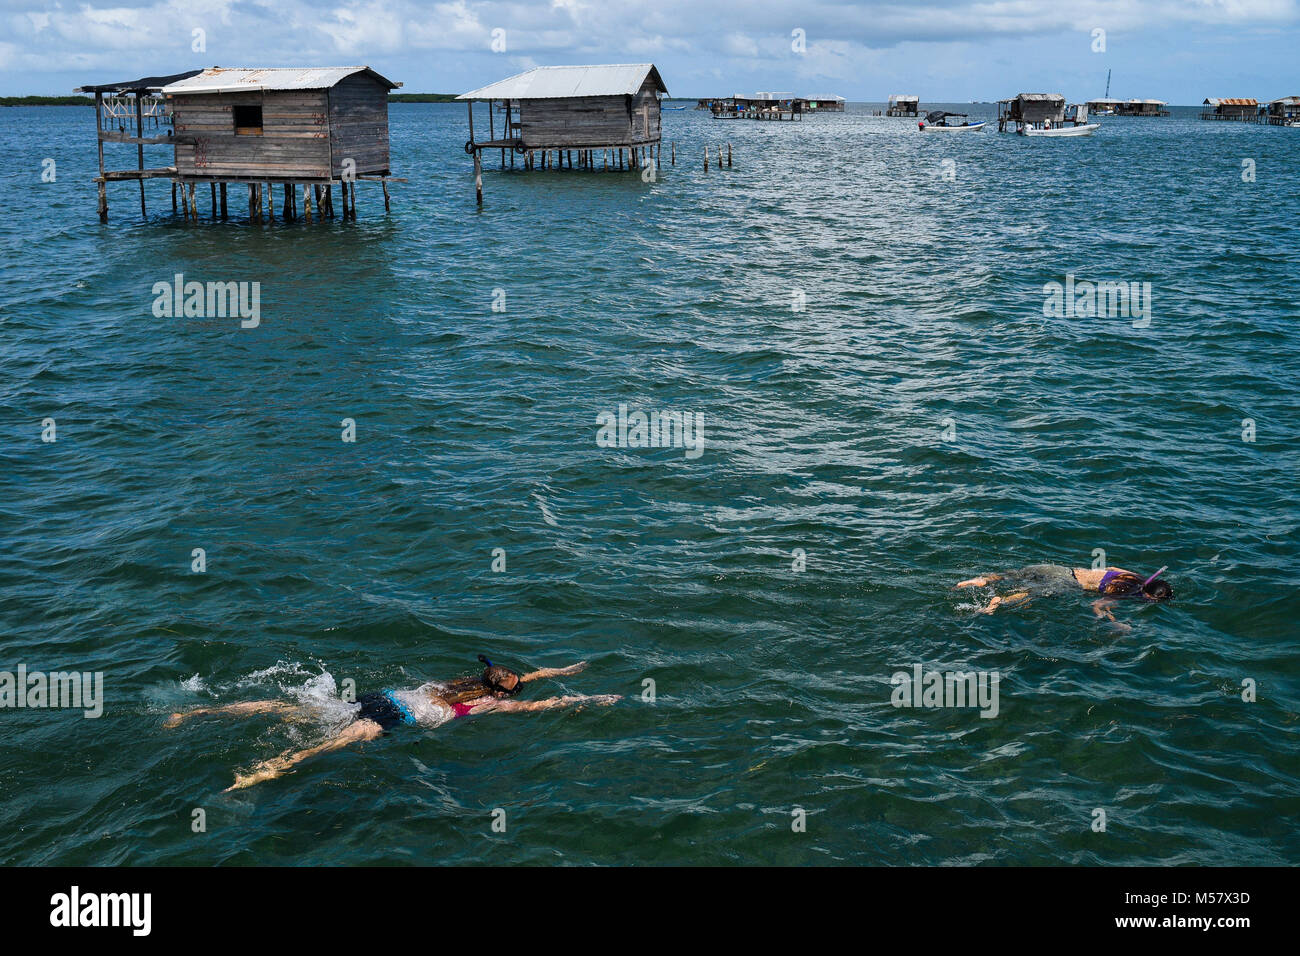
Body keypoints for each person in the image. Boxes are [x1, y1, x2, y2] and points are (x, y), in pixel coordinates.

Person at [165, 656, 619, 791]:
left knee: (290, 708)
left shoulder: (466, 683)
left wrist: (557, 672)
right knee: (337, 744)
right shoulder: (489, 706)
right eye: (513, 689)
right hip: (396, 719)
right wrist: (591, 698)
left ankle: (197, 712)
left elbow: (519, 683)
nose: (517, 693)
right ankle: (269, 768)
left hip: (382, 698)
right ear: (499, 692)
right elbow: (535, 706)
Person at [956, 564, 1172, 618]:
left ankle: (982, 580)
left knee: (1017, 574)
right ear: (1147, 594)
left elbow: (1109, 568)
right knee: (1032, 594)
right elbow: (1095, 605)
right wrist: (1112, 619)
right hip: (1068, 584)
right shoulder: (1125, 591)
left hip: (1064, 569)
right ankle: (999, 601)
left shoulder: (1129, 576)